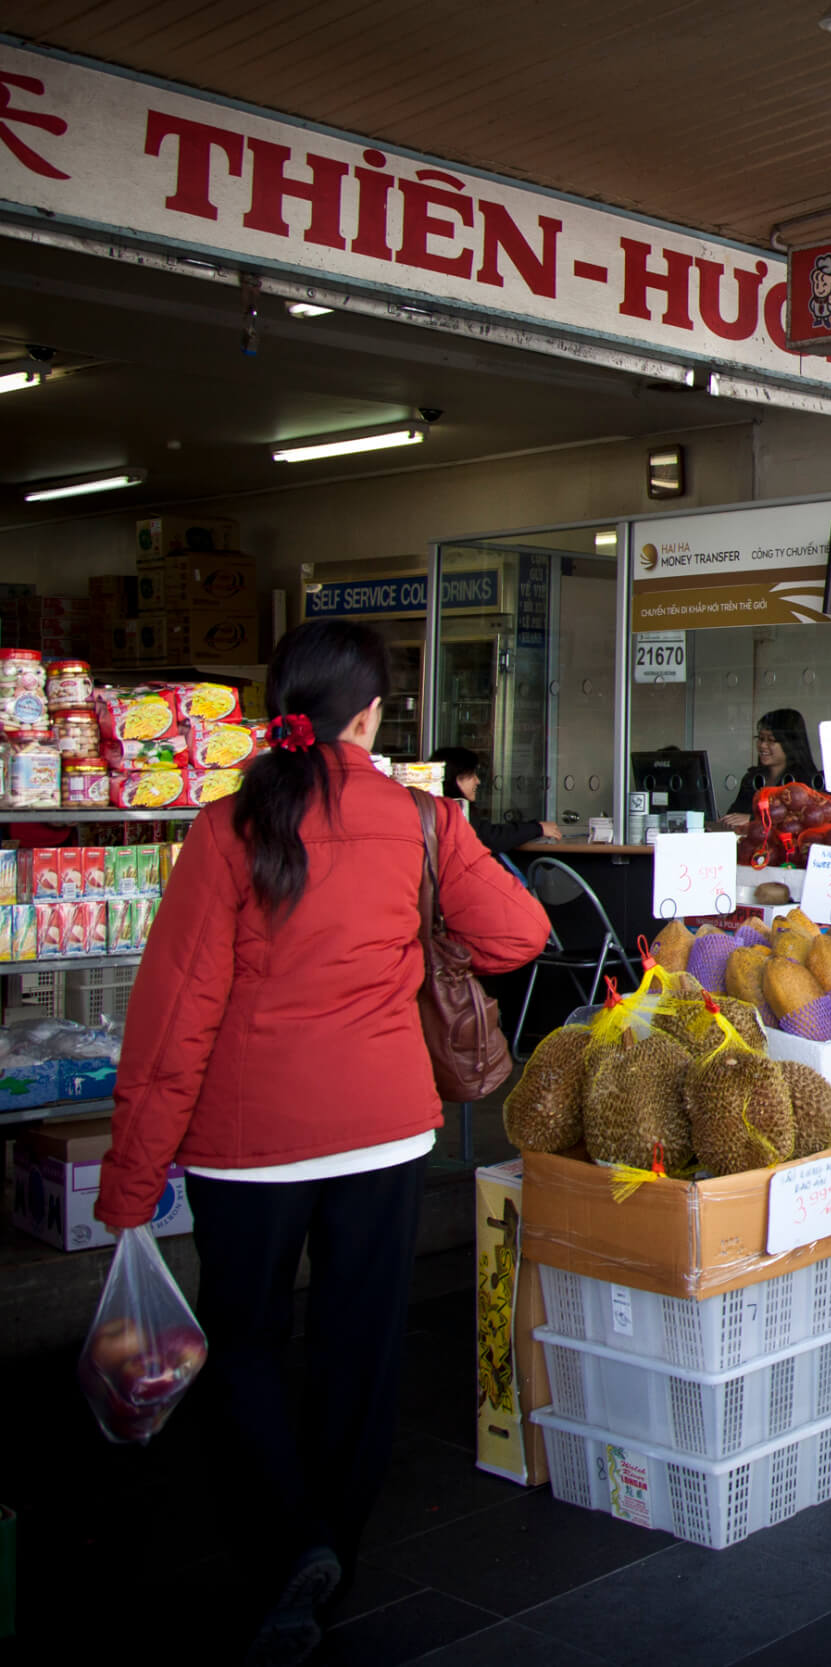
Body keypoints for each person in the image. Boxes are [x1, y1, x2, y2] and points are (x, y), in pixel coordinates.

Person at [96, 622, 551, 1667]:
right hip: (384, 1130)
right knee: (359, 1342)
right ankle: (332, 1545)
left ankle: (286, 1539)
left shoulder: (227, 828)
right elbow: (519, 935)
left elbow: (175, 1017)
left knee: (244, 1341)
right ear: (370, 713)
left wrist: (130, 1180)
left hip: (246, 1143)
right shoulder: (425, 820)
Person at [428, 745, 560, 856]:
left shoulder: (433, 807)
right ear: (457, 778)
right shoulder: (450, 811)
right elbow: (491, 838)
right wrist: (537, 828)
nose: (477, 781)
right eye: (472, 775)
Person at [723, 708, 819, 827]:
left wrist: (755, 819)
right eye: (761, 739)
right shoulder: (752, 778)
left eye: (771, 740)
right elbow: (733, 816)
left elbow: (802, 822)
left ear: (789, 744)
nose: (763, 745)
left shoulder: (804, 782)